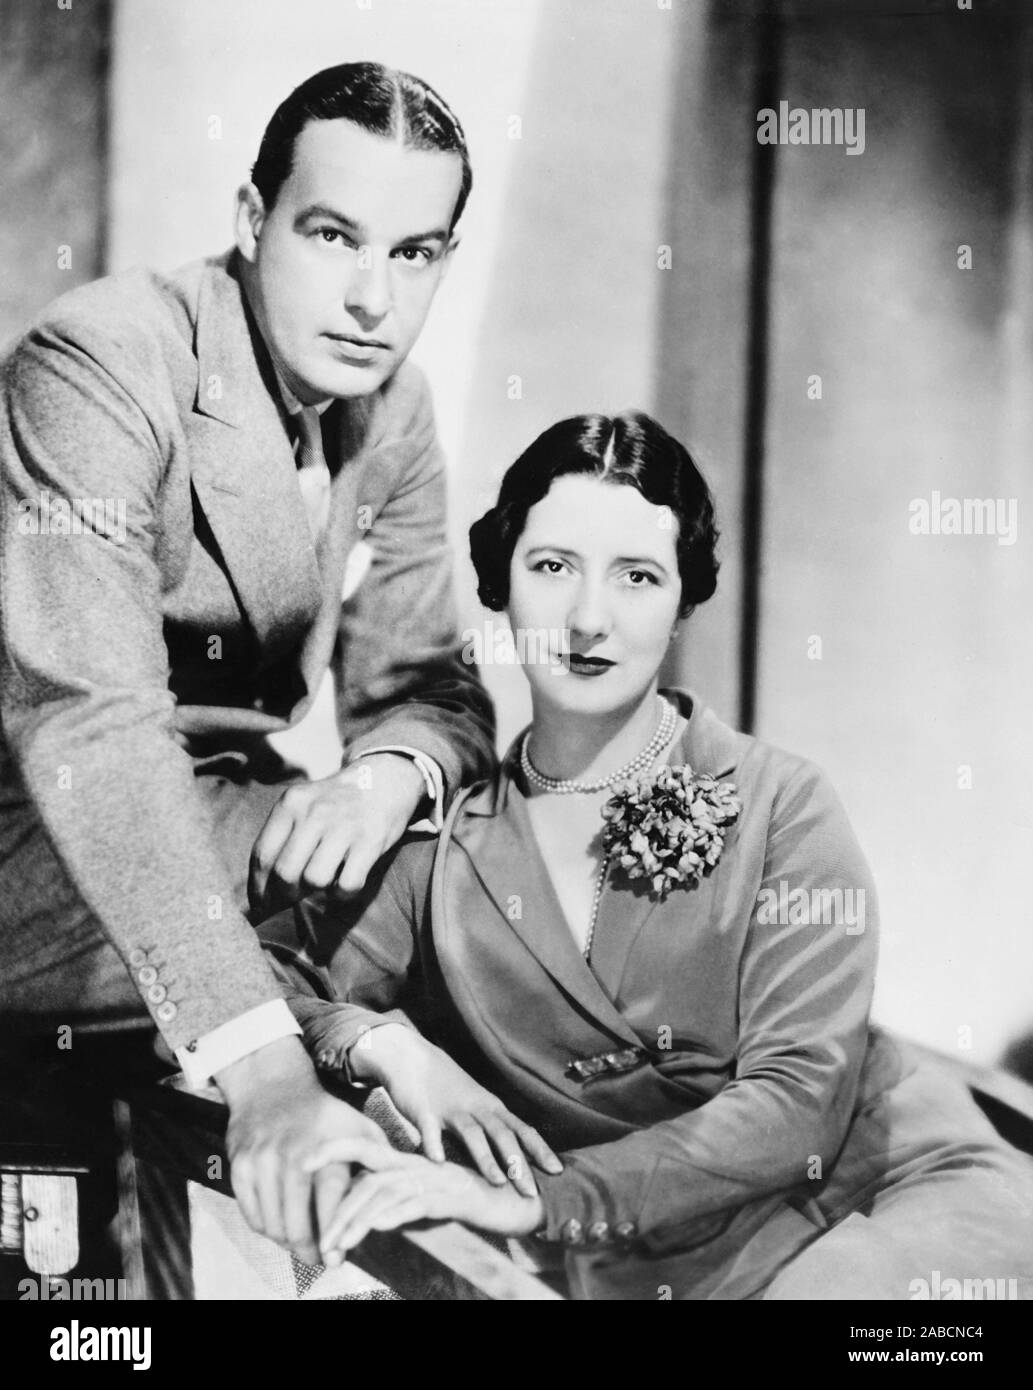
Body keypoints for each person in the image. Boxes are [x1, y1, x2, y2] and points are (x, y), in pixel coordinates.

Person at [270, 410, 1033, 1299]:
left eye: (636, 577)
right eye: (551, 568)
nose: (588, 618)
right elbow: (259, 980)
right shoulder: (437, 857)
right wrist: (384, 1049)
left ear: (681, 602)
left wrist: (546, 1201)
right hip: (641, 1261)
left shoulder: (782, 802)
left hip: (880, 1196)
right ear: (499, 584)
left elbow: (796, 1106)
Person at [0, 62, 494, 1266]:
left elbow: (434, 692)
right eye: (333, 236)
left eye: (417, 253)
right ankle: (340, 1039)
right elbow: (89, 735)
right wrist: (268, 1068)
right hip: (39, 843)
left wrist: (379, 776)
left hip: (222, 836)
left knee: (481, 862)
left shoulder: (394, 408)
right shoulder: (97, 364)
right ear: (250, 219)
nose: (374, 298)